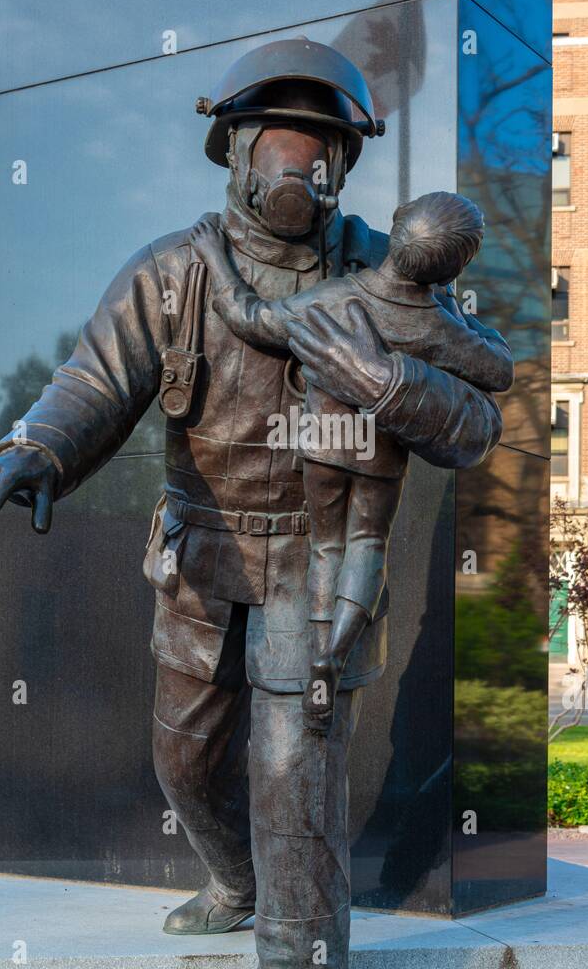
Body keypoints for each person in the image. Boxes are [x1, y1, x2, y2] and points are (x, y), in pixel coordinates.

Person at [0, 37, 508, 969]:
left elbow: (478, 422)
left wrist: (389, 386)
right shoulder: (174, 276)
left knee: (295, 764)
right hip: (205, 557)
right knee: (185, 757)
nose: (307, 167)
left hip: (320, 561)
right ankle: (239, 881)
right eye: (286, 145)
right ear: (239, 151)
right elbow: (92, 384)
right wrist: (35, 448)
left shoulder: (383, 280)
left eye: (326, 147)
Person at [188, 190, 512, 730]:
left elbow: (247, 316)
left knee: (325, 547)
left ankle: (316, 645)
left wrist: (215, 256)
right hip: (379, 449)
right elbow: (499, 368)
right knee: (367, 545)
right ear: (456, 264)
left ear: (397, 226)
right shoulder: (436, 326)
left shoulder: (330, 298)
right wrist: (451, 304)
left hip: (322, 442)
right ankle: (334, 656)